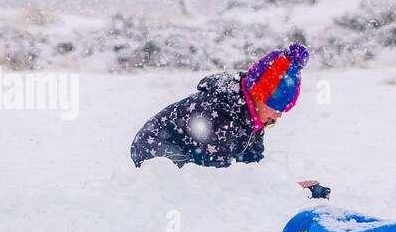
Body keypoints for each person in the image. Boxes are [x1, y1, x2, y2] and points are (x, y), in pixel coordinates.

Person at [130, 43, 324, 194]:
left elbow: (251, 167)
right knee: (191, 184)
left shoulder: (251, 116)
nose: (279, 114)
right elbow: (217, 174)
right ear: (258, 94)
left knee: (206, 181)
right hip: (155, 145)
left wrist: (289, 190)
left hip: (193, 153)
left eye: (284, 110)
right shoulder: (219, 113)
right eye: (276, 107)